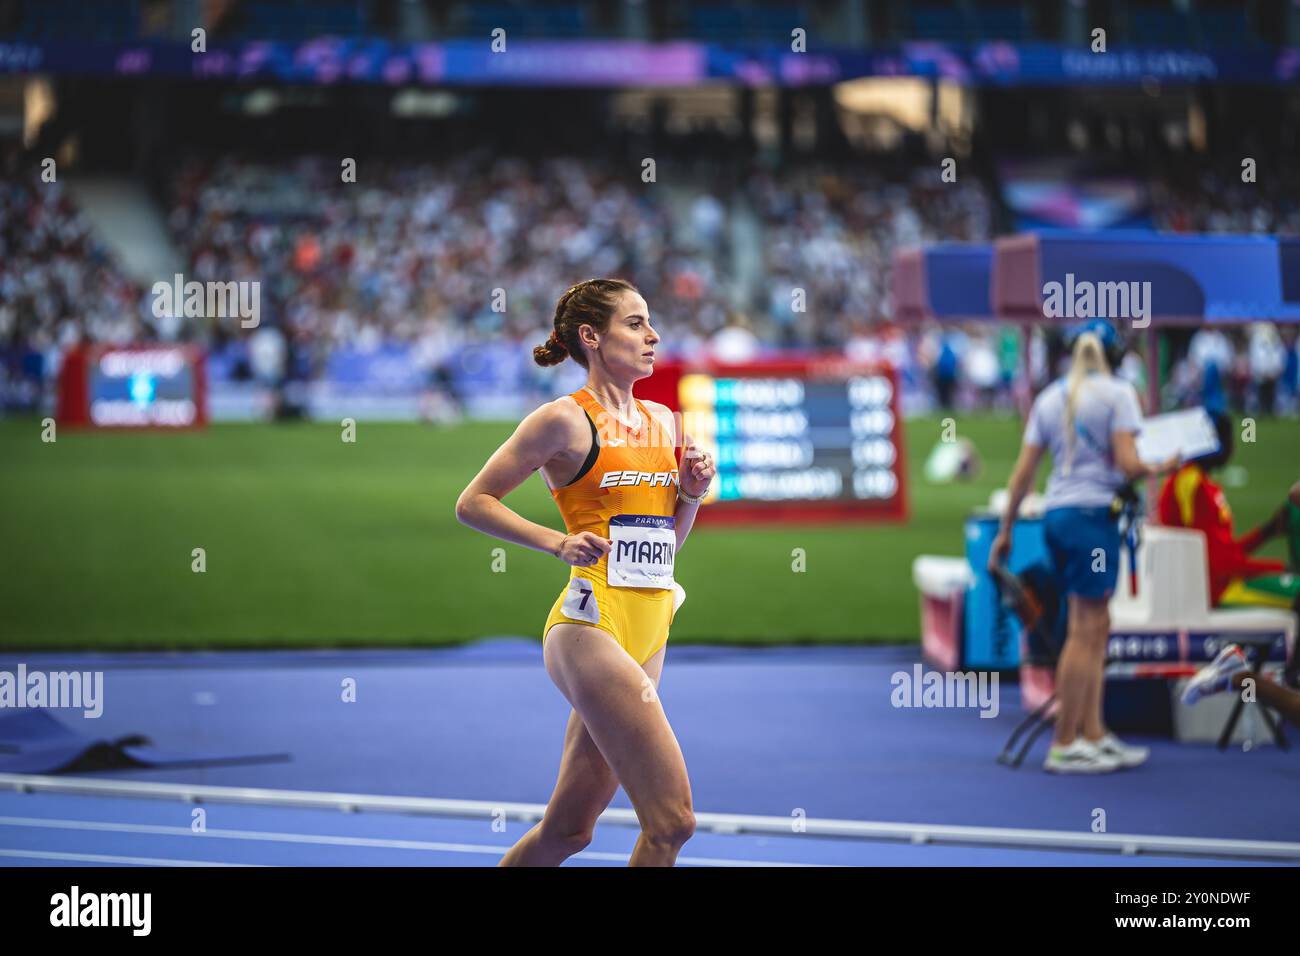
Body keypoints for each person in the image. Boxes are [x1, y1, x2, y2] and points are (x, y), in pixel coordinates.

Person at [454, 278, 716, 866]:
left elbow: (665, 547)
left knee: (569, 830)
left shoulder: (667, 423)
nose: (653, 336)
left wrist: (692, 496)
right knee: (672, 822)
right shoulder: (564, 421)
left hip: (650, 625)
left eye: (651, 322)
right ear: (592, 337)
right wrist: (556, 542)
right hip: (589, 627)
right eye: (635, 323)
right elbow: (473, 502)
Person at [989, 319, 1179, 773]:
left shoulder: (1050, 397)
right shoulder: (1118, 394)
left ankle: (1092, 732)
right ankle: (1064, 741)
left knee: (1095, 624)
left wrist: (1006, 529)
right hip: (1093, 517)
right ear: (1113, 357)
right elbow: (1130, 464)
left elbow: (1023, 473)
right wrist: (1168, 462)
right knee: (1084, 627)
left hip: (1059, 516)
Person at [1156, 416, 1292, 609]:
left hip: (1216, 582)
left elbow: (1222, 553)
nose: (1232, 448)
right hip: (1213, 590)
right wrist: (1280, 568)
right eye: (1227, 439)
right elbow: (1219, 563)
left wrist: (1266, 532)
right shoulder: (1193, 485)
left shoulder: (1195, 480)